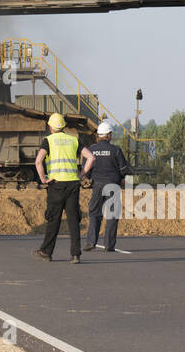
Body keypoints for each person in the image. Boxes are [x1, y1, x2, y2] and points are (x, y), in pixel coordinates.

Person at [34, 113, 82, 264]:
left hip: (56, 185)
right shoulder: (73, 139)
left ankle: (46, 252)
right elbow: (91, 158)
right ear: (63, 127)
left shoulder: (48, 140)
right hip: (73, 184)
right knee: (73, 220)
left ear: (50, 127)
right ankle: (75, 255)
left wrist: (43, 179)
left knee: (54, 220)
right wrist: (82, 174)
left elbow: (38, 161)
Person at [82, 121, 132, 253]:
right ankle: (109, 245)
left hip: (97, 185)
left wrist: (92, 178)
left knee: (94, 213)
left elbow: (85, 168)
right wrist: (122, 177)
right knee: (112, 215)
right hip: (113, 185)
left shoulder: (91, 149)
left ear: (98, 135)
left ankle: (91, 242)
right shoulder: (116, 150)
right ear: (109, 135)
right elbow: (124, 169)